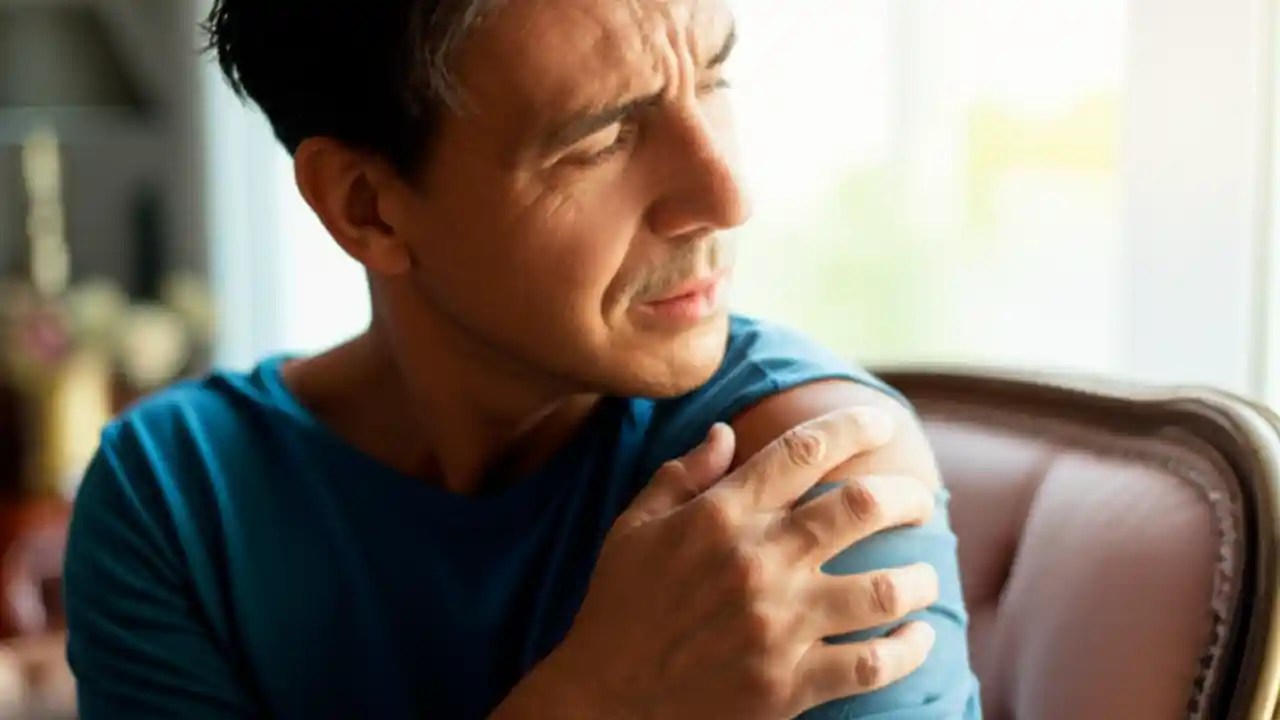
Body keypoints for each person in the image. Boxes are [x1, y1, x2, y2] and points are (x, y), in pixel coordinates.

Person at [62, 0, 982, 717]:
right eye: (602, 137)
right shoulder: (177, 502)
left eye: (714, 79)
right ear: (367, 208)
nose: (725, 193)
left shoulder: (806, 479)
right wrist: (601, 701)